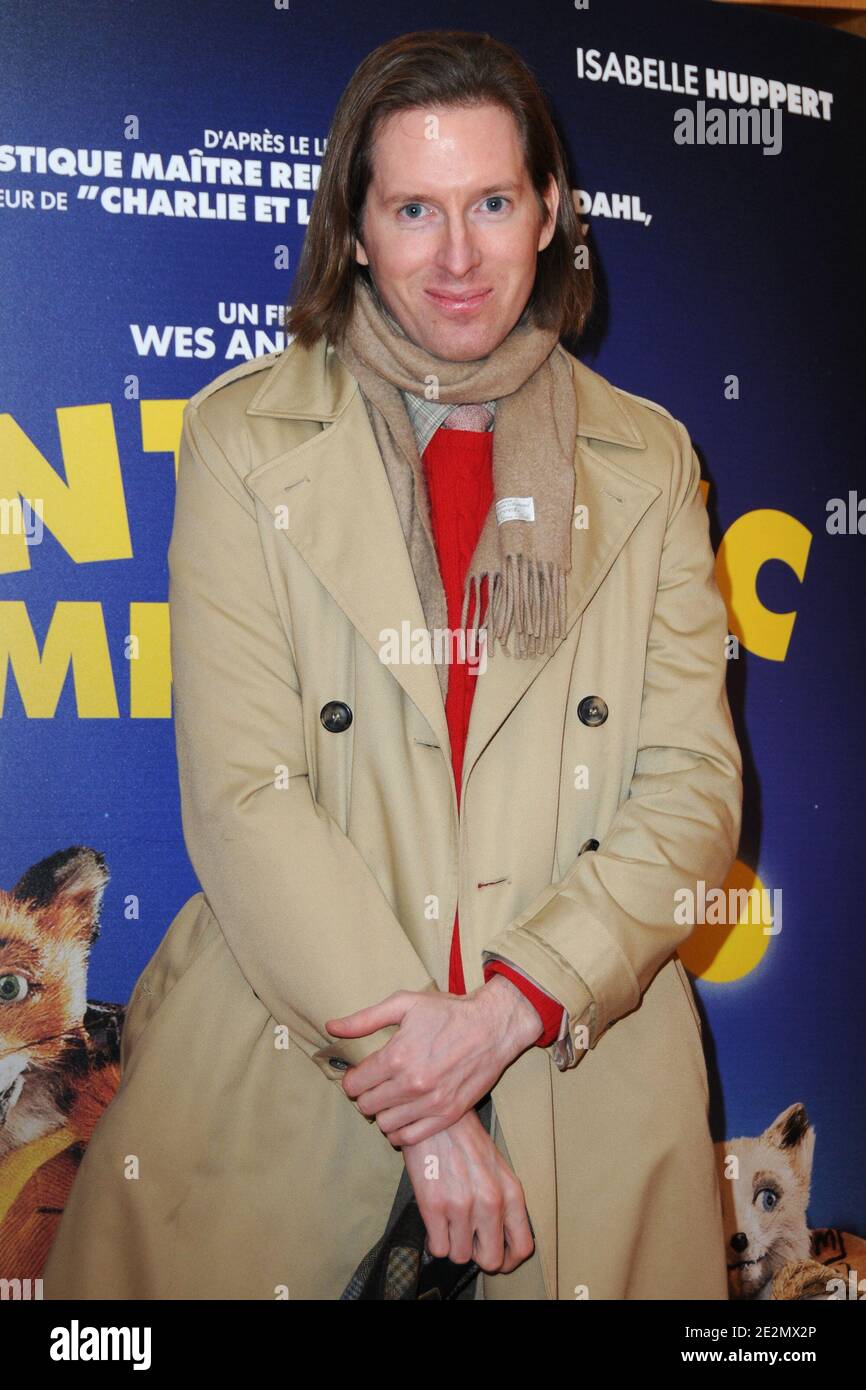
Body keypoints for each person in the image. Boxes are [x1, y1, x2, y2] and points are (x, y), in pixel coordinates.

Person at [42, 29, 743, 1301]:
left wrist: (508, 1008)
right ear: (354, 230)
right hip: (299, 1051)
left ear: (547, 212)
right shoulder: (241, 436)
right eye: (414, 208)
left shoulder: (649, 460)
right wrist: (424, 1102)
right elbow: (244, 792)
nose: (459, 255)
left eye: (489, 202)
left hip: (575, 1066)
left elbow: (691, 790)